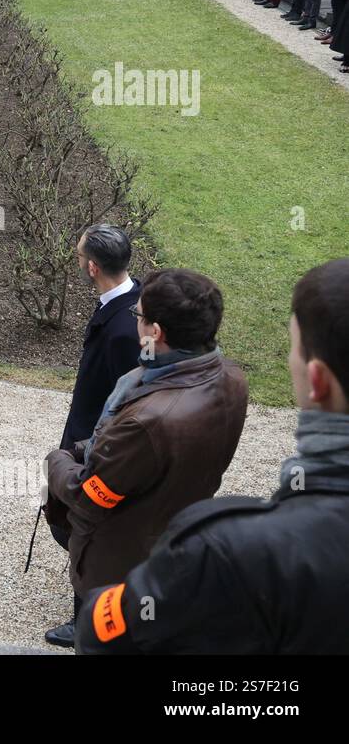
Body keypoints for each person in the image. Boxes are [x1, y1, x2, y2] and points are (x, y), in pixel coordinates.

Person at [76, 258, 349, 654]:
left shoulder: (228, 549)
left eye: (294, 348)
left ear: (318, 381)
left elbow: (100, 633)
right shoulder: (232, 379)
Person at [44, 268, 249, 648]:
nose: (134, 321)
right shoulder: (232, 379)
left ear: (156, 333)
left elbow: (91, 495)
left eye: (138, 315)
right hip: (176, 530)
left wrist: (57, 461)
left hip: (120, 555)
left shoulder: (147, 422)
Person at [57, 225, 142, 456]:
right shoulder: (131, 297)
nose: (77, 261)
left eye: (79, 256)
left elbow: (128, 405)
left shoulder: (124, 332)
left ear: (93, 267)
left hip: (92, 448)